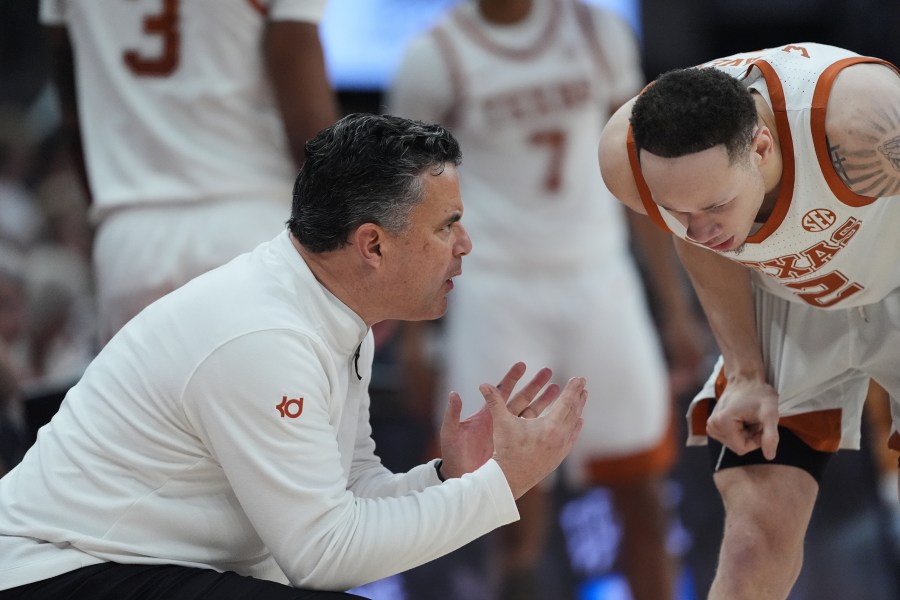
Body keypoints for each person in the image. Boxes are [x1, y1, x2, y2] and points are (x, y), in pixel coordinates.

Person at [0, 113, 589, 599]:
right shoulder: (265, 336)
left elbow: (350, 496)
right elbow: (323, 556)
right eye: (447, 226)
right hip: (61, 571)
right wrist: (499, 485)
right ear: (373, 245)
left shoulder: (328, 308)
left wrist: (447, 478)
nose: (466, 244)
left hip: (135, 567)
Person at [387, 1, 704, 599]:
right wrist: (413, 336)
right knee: (508, 510)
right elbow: (410, 207)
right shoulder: (433, 58)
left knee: (643, 497)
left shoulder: (599, 32)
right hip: (496, 288)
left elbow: (640, 175)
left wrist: (674, 307)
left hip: (599, 278)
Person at [598, 42, 900, 599]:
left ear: (761, 147)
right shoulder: (627, 158)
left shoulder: (866, 125)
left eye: (716, 205)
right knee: (753, 547)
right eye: (679, 211)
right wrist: (743, 372)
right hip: (787, 298)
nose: (698, 228)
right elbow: (700, 241)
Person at [39, 0, 340, 344]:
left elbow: (71, 111)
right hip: (254, 222)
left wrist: (112, 215)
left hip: (130, 232)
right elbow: (309, 133)